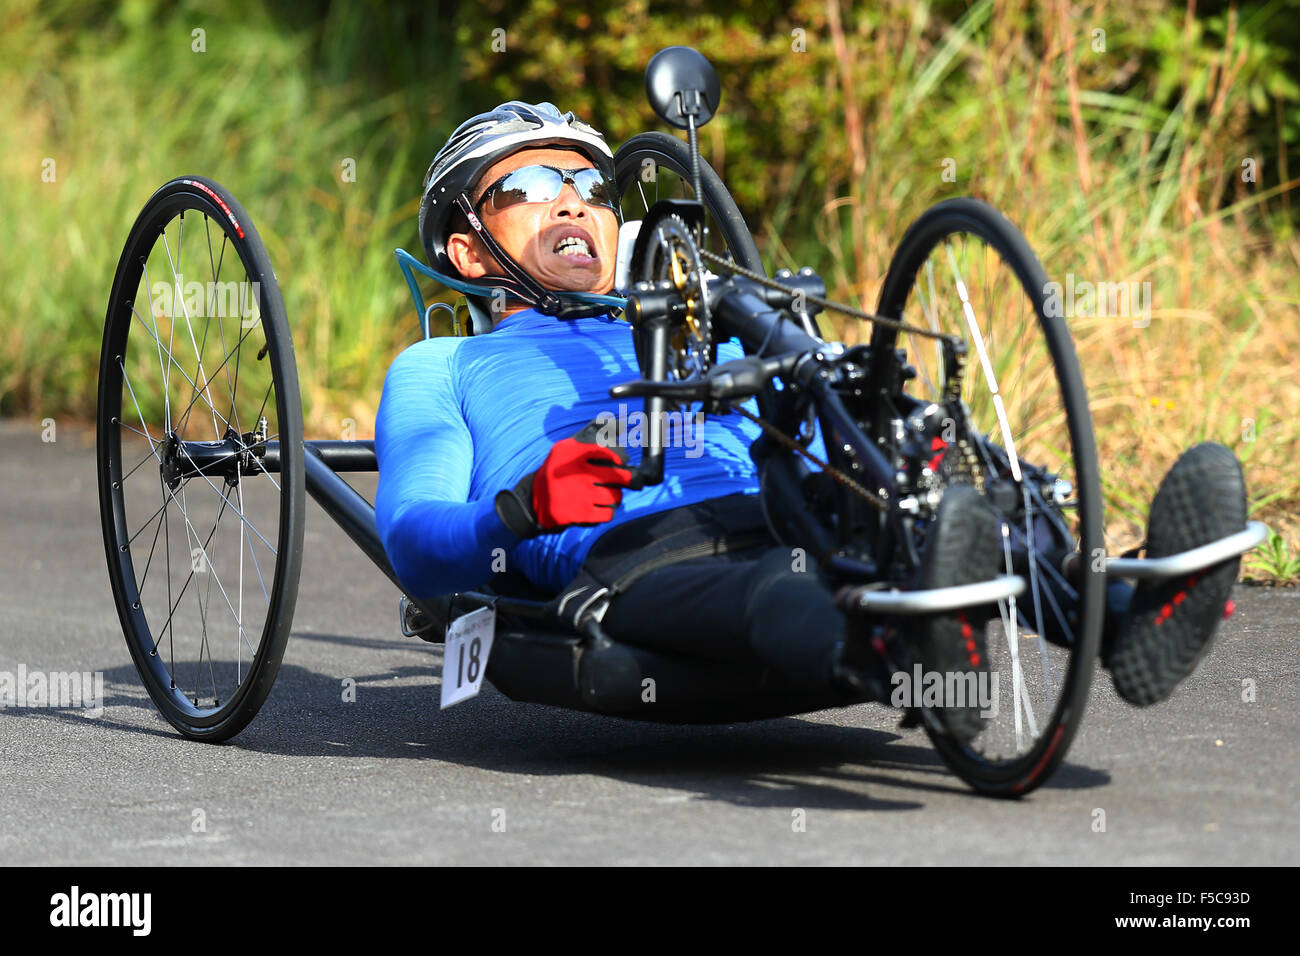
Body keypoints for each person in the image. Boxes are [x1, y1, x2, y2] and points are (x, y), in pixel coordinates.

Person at [374, 101, 1247, 738]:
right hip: (637, 548)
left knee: (943, 500)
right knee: (777, 586)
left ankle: (1131, 613)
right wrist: (525, 507)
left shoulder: (697, 319)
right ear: (465, 248)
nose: (570, 201)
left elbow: (818, 417)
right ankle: (917, 648)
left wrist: (896, 444)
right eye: (527, 185)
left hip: (790, 505)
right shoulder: (442, 366)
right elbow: (413, 538)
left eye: (589, 183)